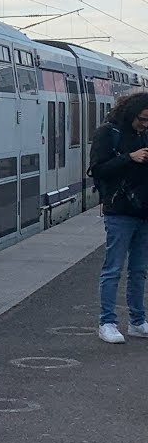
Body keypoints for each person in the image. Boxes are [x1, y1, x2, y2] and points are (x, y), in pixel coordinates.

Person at [88, 90, 148, 344]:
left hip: (144, 211)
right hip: (119, 211)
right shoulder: (108, 133)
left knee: (139, 270)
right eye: (142, 119)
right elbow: (97, 169)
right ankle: (107, 322)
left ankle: (137, 321)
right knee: (112, 269)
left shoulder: (145, 134)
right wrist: (129, 158)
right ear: (130, 113)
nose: (144, 125)